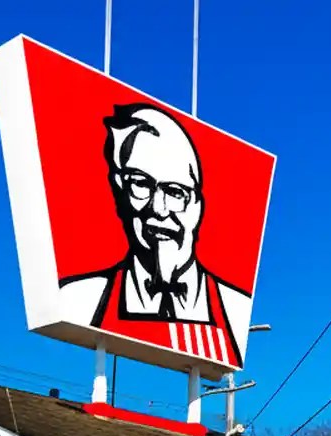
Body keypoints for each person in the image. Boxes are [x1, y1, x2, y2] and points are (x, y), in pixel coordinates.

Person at [59, 103, 251, 367]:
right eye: (140, 184)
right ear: (120, 193)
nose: (159, 209)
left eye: (175, 192)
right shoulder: (80, 300)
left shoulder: (235, 309)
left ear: (197, 206)